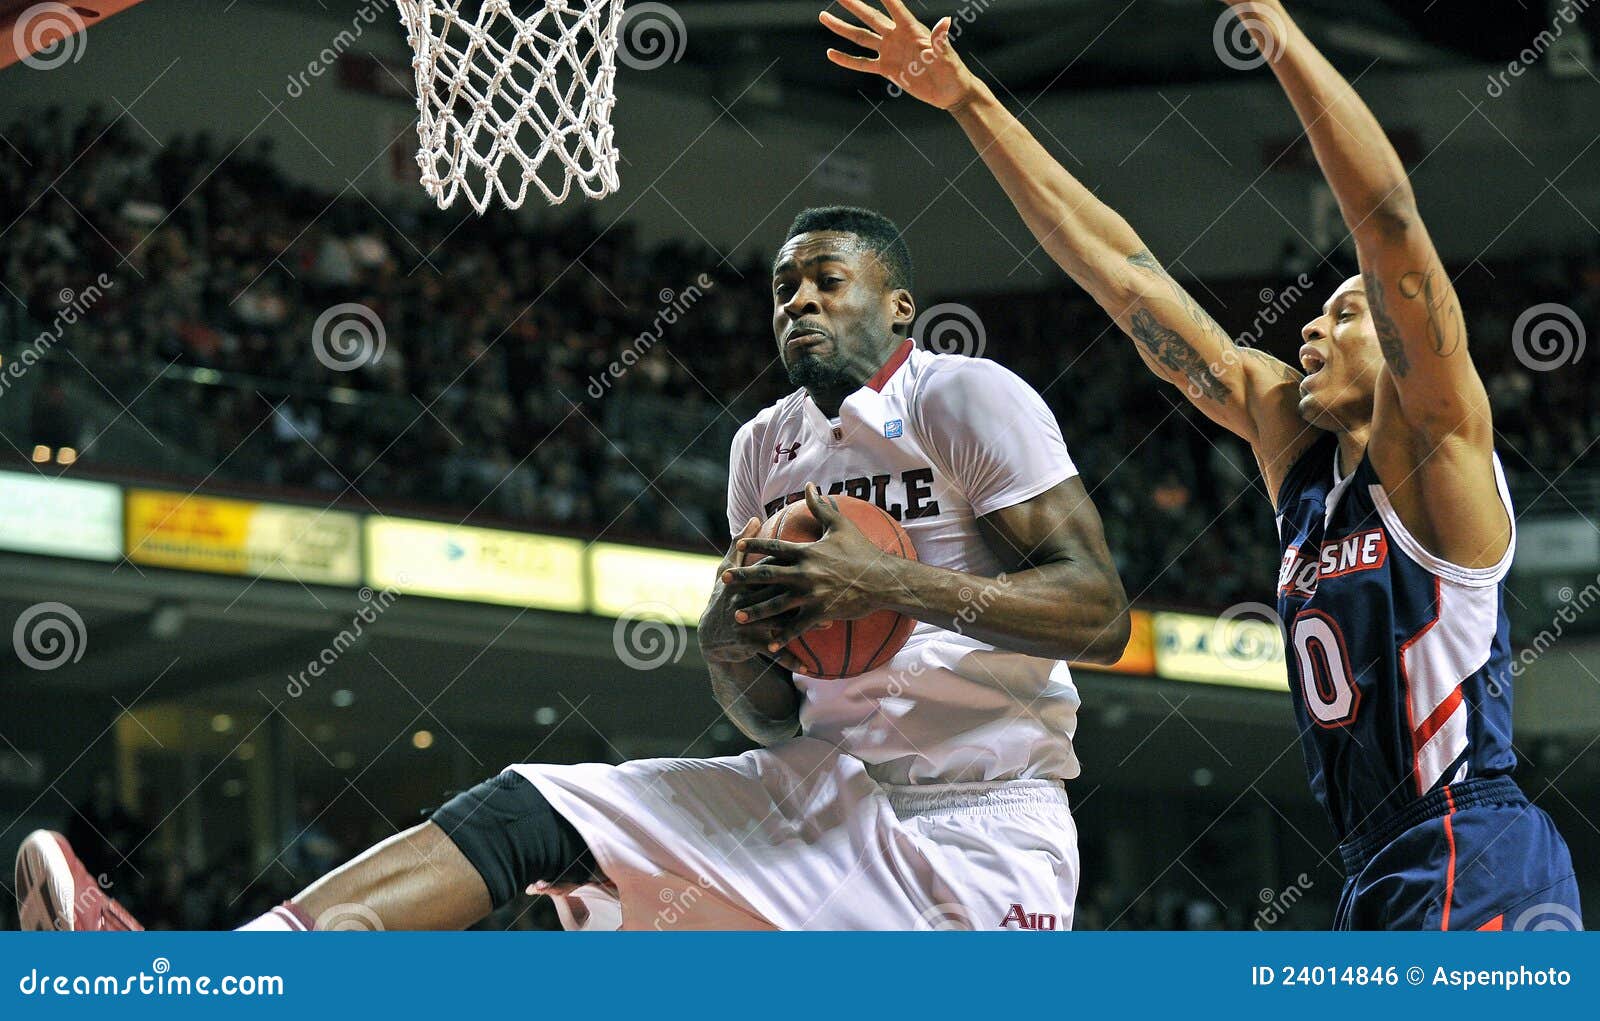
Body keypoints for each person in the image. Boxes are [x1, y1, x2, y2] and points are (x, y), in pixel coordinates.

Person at [15, 205, 1129, 932]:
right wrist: (730, 644)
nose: (797, 301)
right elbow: (762, 711)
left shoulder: (963, 397)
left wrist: (887, 587)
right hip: (819, 792)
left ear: (896, 305)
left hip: (980, 833)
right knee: (535, 814)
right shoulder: (762, 453)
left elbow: (1097, 611)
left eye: (827, 281)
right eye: (782, 287)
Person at [819, 0, 1580, 930]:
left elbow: (1388, 223)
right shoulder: (1295, 457)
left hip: (1471, 843)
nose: (1309, 325)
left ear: (1400, 339)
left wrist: (1272, 25)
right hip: (1374, 862)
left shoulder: (1440, 451)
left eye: (1344, 314)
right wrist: (967, 97)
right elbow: (1124, 274)